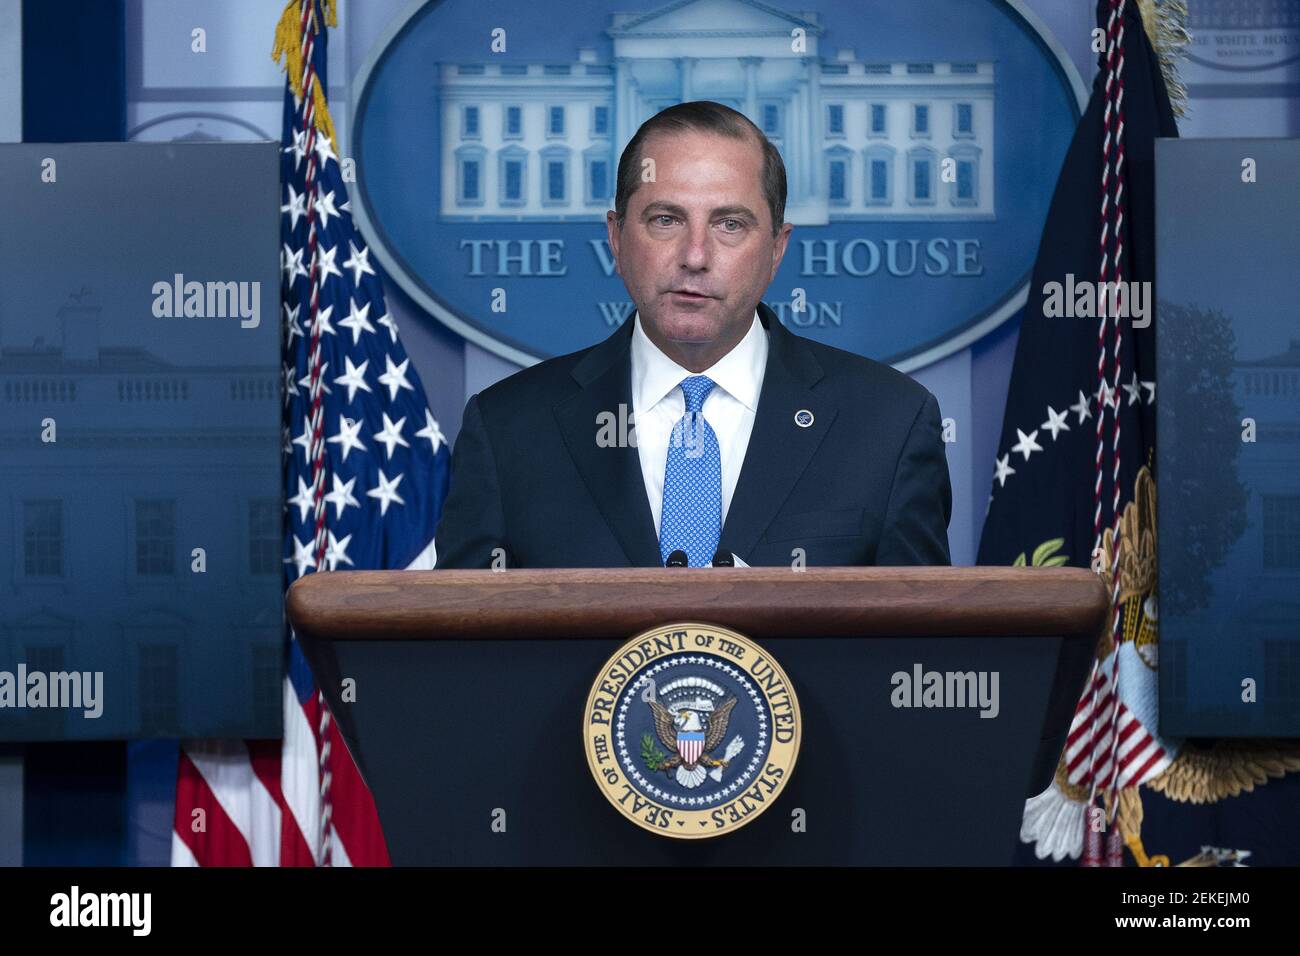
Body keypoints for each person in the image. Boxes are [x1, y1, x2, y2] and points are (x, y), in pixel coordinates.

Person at [433, 100, 951, 569]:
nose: (695, 256)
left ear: (776, 248)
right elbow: (466, 661)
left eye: (730, 224)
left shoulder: (889, 425)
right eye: (665, 219)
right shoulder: (507, 431)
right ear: (616, 237)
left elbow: (918, 651)